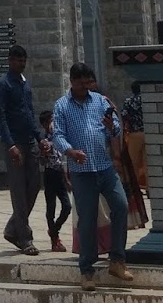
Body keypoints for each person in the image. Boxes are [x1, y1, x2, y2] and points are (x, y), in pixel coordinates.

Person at [52, 64, 135, 292]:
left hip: (105, 167)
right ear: (72, 81)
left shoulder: (99, 101)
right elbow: (57, 134)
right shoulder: (62, 106)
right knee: (87, 220)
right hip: (82, 172)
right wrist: (70, 152)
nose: (87, 87)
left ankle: (117, 260)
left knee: (120, 206)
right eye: (82, 83)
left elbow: (115, 129)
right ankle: (87, 271)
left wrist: (112, 127)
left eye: (89, 83)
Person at [0, 43, 43, 256]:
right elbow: (1, 117)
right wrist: (10, 144)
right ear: (10, 60)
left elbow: (30, 114)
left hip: (29, 143)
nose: (21, 64)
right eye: (17, 60)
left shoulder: (25, 84)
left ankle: (14, 227)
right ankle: (25, 238)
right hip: (14, 145)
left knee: (34, 186)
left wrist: (40, 138)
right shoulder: (3, 84)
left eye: (24, 60)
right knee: (19, 192)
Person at [39, 110, 71, 253]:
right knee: (50, 208)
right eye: (50, 121)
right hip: (49, 174)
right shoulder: (42, 140)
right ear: (45, 124)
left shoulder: (58, 137)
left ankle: (54, 230)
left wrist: (67, 178)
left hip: (59, 174)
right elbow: (40, 160)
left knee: (67, 206)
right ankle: (55, 240)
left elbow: (61, 159)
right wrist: (42, 154)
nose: (53, 123)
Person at [122, 82, 146, 194]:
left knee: (133, 162)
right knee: (148, 162)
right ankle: (151, 189)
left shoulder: (129, 101)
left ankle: (135, 188)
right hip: (148, 133)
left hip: (134, 134)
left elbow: (124, 116)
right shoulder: (146, 100)